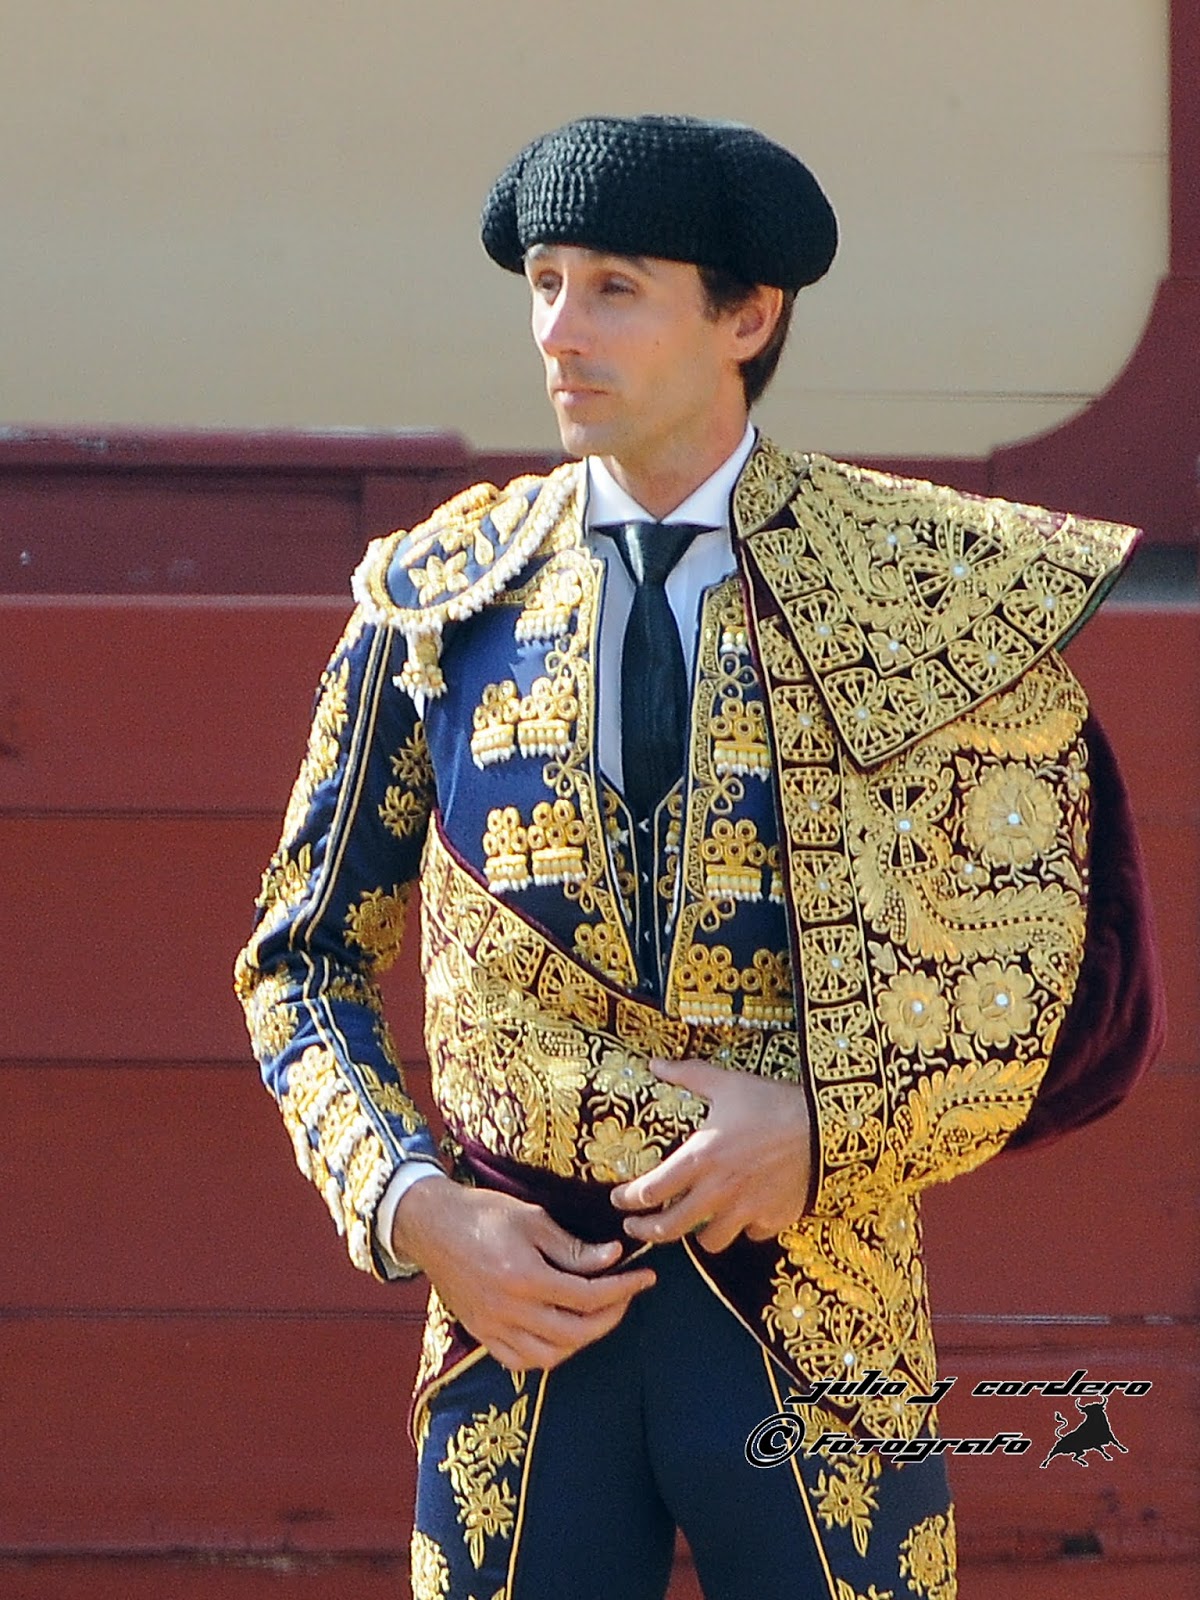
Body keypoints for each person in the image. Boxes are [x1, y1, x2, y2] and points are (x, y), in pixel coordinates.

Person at [235, 115, 1164, 1600]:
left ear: (748, 315)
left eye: (613, 287)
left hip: (820, 1310)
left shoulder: (928, 592)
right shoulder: (432, 601)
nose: (557, 329)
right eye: (542, 282)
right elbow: (302, 960)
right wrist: (419, 1209)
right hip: (516, 1322)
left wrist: (824, 1128)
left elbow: (1069, 977)